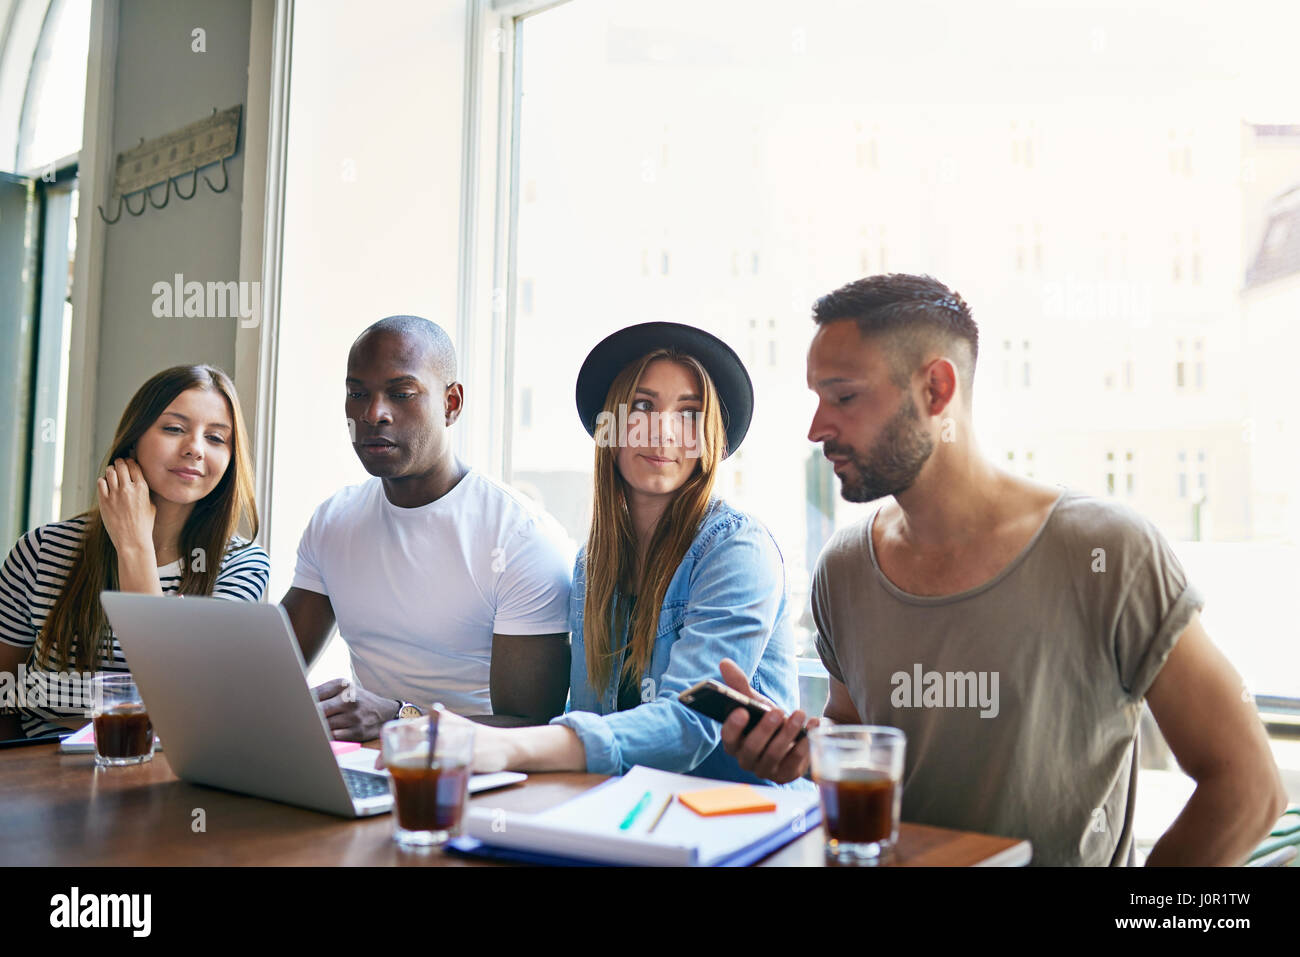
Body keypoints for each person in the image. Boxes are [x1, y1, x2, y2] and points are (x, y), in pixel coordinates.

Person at [720, 273, 1288, 864]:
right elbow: (855, 731)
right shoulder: (842, 567)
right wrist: (801, 751)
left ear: (936, 390)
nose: (817, 429)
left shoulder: (1107, 552)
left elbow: (1249, 789)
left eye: (843, 397)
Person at [441, 321, 806, 786]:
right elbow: (595, 719)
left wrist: (510, 747)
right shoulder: (592, 566)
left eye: (689, 413)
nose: (664, 432)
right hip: (630, 813)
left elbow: (688, 724)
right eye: (642, 406)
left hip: (742, 820)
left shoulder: (736, 548)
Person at [281, 316, 573, 741]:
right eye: (357, 394)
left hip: (480, 781)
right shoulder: (334, 520)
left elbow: (531, 726)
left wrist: (400, 719)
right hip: (366, 769)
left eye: (401, 394)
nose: (373, 413)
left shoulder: (521, 538)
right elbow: (270, 674)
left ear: (451, 404)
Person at [0, 365, 268, 738]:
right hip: (40, 774)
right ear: (132, 440)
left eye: (216, 438)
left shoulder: (240, 566)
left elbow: (179, 703)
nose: (194, 448)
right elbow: (4, 694)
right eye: (174, 428)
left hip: (163, 779)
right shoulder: (41, 551)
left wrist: (134, 546)